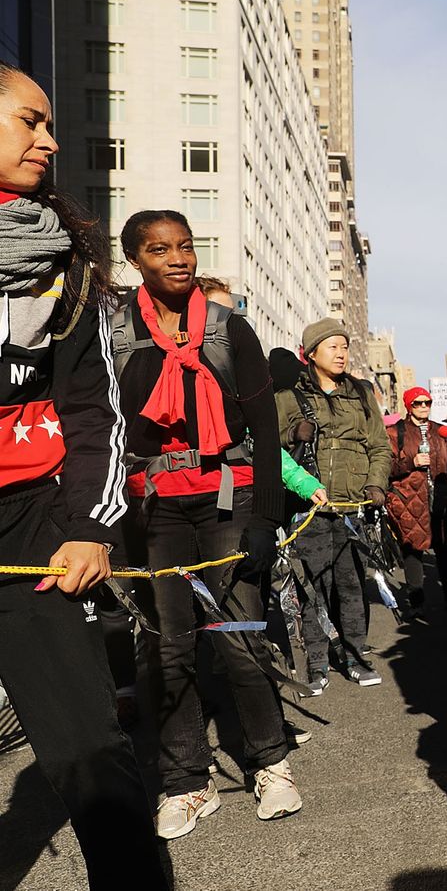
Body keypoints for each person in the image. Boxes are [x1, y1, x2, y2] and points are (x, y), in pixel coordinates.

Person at [0, 62, 166, 888]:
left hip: (34, 529)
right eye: (31, 121)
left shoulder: (64, 265)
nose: (50, 141)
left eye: (51, 124)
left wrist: (91, 529)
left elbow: (95, 411)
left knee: (93, 752)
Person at [112, 209, 302, 836]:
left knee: (237, 633)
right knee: (167, 646)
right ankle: (186, 782)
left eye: (186, 246)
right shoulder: (114, 331)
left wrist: (266, 518)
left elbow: (266, 425)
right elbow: (105, 426)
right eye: (160, 249)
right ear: (136, 259)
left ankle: (270, 764)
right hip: (154, 503)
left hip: (229, 494)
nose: (177, 258)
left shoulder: (227, 329)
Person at [276, 318, 392, 690]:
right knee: (313, 586)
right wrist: (292, 431)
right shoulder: (289, 396)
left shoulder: (361, 393)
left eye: (345, 346)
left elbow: (379, 445)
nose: (341, 353)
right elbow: (265, 443)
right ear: (311, 353)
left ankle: (356, 657)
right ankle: (317, 664)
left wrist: (376, 485)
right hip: (308, 509)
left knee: (352, 585)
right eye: (333, 346)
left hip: (353, 508)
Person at [386, 385, 447, 612]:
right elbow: (386, 466)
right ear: (408, 406)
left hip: (440, 496)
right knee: (413, 550)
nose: (423, 407)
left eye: (427, 403)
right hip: (410, 498)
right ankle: (416, 603)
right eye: (417, 403)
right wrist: (412, 463)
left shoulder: (441, 431)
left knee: (445, 549)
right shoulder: (395, 432)